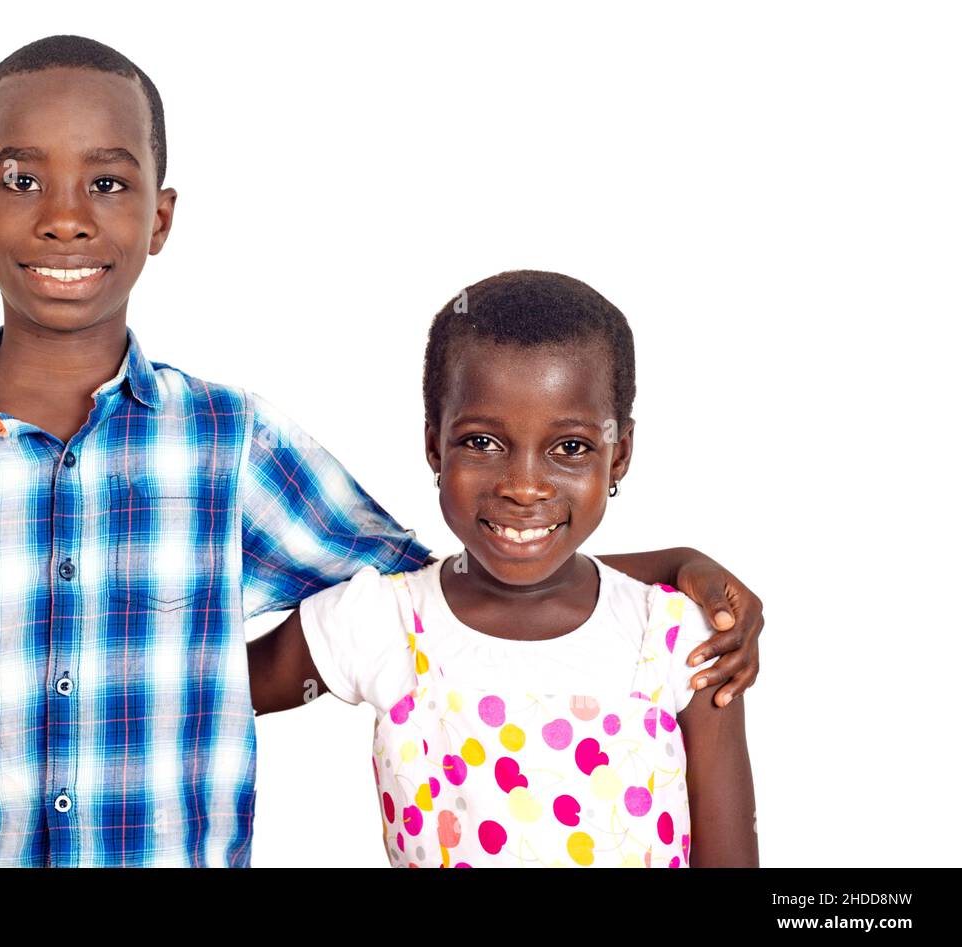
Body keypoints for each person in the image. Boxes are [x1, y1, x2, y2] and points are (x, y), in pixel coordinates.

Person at [0, 34, 763, 867]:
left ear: (160, 217)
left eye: (108, 182)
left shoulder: (231, 443)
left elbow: (455, 582)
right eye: (21, 178)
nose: (64, 214)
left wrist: (667, 575)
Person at [248, 271, 759, 867]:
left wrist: (680, 564)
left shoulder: (681, 638)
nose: (522, 486)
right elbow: (190, 690)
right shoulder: (381, 622)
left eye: (570, 447)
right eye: (482, 443)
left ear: (618, 454)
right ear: (434, 446)